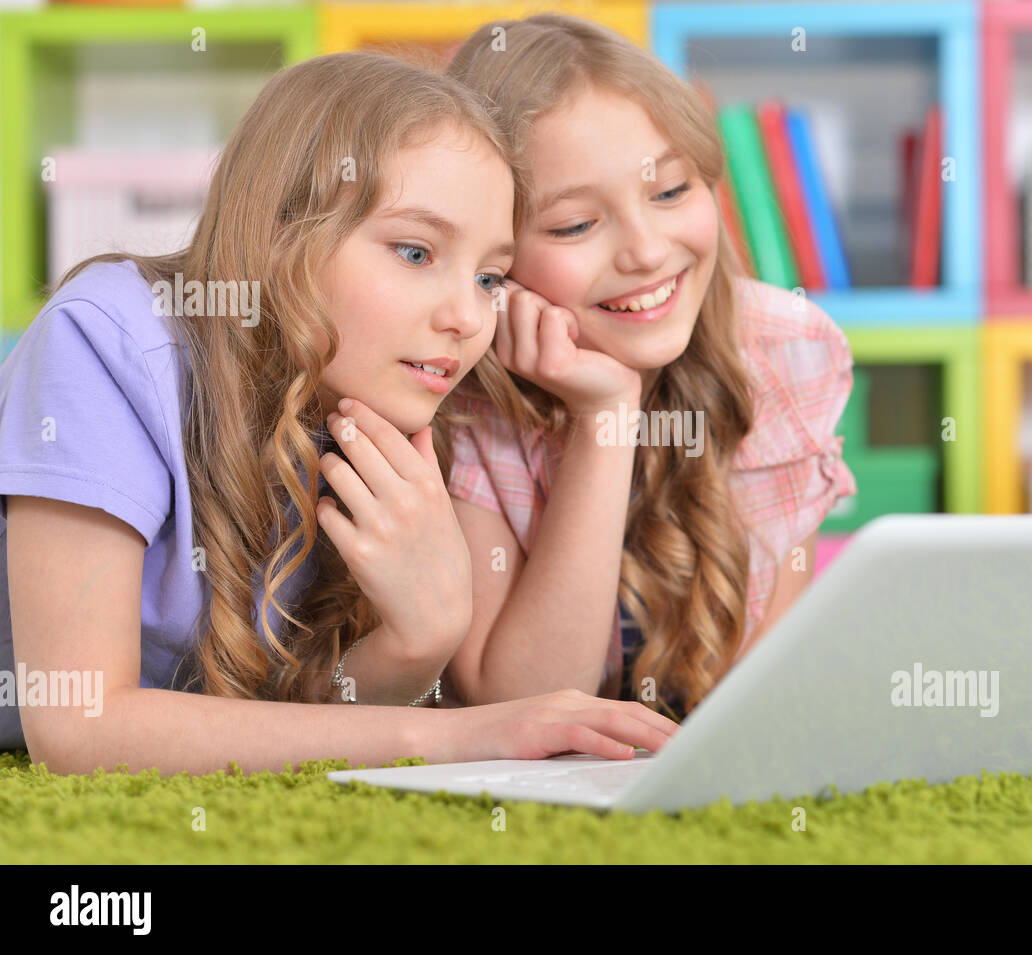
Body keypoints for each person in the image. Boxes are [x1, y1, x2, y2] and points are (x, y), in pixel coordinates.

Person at [0, 51, 676, 776]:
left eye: (489, 277)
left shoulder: (381, 406)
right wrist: (457, 735)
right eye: (416, 251)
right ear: (281, 235)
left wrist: (418, 642)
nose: (466, 317)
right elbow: (80, 729)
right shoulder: (107, 338)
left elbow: (283, 726)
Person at [440, 15, 857, 719]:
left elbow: (754, 704)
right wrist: (604, 416)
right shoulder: (462, 398)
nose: (645, 251)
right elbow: (524, 705)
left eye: (670, 193)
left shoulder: (784, 350)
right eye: (575, 224)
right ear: (494, 262)